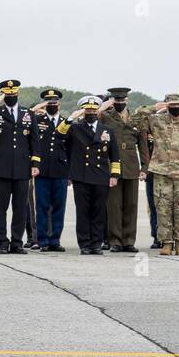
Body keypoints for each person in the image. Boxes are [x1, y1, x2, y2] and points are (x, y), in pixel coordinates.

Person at [55, 96, 119, 255]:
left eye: (93, 110)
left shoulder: (107, 130)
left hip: (101, 176)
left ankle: (96, 244)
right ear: (83, 111)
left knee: (98, 211)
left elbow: (115, 156)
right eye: (87, 110)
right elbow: (58, 135)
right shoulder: (75, 128)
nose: (90, 113)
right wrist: (71, 118)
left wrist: (114, 175)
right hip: (81, 176)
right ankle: (84, 244)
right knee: (83, 211)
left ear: (98, 111)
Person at [0, 80, 34, 254]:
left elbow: (35, 141)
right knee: (1, 208)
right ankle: (3, 241)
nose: (10, 98)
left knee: (20, 208)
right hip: (1, 168)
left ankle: (17, 242)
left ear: (17, 94)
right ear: (3, 96)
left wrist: (35, 163)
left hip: (22, 168)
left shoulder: (27, 113)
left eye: (13, 95)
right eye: (7, 95)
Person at [134, 93, 179, 255]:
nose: (174, 107)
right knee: (163, 208)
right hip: (161, 172)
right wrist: (155, 108)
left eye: (177, 104)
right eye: (171, 105)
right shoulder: (157, 120)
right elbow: (135, 119)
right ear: (167, 106)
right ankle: (166, 242)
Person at [99, 87, 147, 253]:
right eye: (116, 101)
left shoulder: (136, 119)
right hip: (113, 166)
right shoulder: (105, 117)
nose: (119, 103)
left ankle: (129, 241)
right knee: (114, 205)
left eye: (122, 100)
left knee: (131, 205)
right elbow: (88, 118)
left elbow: (143, 145)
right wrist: (104, 106)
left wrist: (145, 167)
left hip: (132, 166)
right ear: (113, 101)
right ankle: (115, 241)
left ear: (127, 101)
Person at [30, 89, 70, 251]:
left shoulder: (66, 122)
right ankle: (43, 240)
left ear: (59, 104)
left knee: (59, 207)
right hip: (42, 170)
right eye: (49, 103)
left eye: (54, 102)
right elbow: (23, 117)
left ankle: (55, 240)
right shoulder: (36, 119)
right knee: (42, 206)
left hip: (60, 170)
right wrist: (37, 108)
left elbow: (70, 147)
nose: (51, 105)